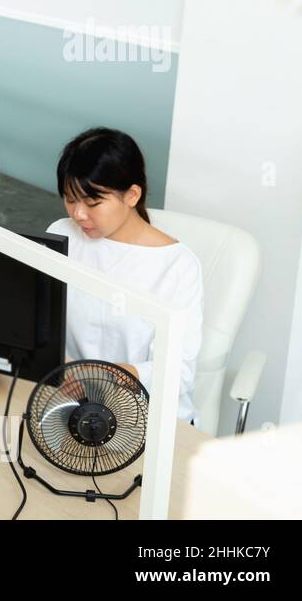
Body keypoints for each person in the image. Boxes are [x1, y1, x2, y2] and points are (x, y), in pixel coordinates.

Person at [49, 127, 204, 425]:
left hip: (148, 422)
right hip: (73, 409)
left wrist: (110, 376)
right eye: (70, 199)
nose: (79, 214)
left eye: (93, 203)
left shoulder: (177, 267)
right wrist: (65, 370)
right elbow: (40, 321)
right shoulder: (61, 235)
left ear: (132, 195)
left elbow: (178, 374)